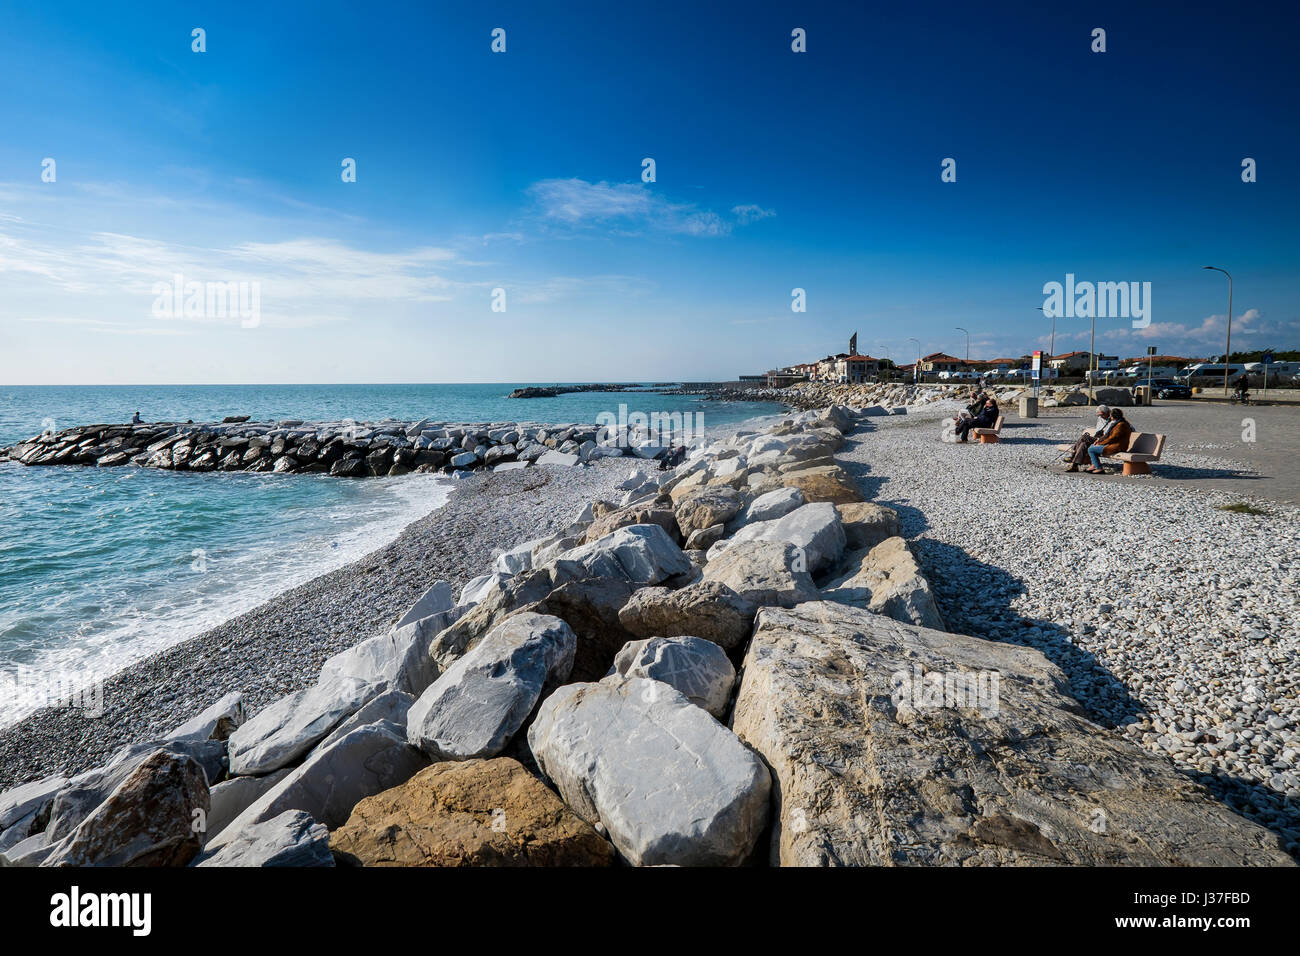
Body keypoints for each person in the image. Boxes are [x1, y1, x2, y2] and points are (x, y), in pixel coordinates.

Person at [1062, 405, 1112, 471]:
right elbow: (1098, 430)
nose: (1100, 417)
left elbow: (1108, 434)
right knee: (1084, 441)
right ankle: (1074, 464)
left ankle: (1073, 458)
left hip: (1104, 440)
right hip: (1098, 437)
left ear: (1107, 412)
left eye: (1102, 415)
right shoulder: (1100, 419)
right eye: (1099, 415)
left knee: (1085, 439)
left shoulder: (1112, 420)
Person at [1085, 408, 1132, 474]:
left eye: (1111, 416)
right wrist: (1099, 441)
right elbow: (1108, 435)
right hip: (1114, 444)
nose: (1110, 417)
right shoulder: (1118, 423)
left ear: (1113, 416)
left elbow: (1113, 438)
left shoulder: (1121, 425)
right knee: (1092, 446)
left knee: (1091, 449)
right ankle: (1094, 465)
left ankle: (1099, 468)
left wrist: (1101, 443)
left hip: (1117, 446)